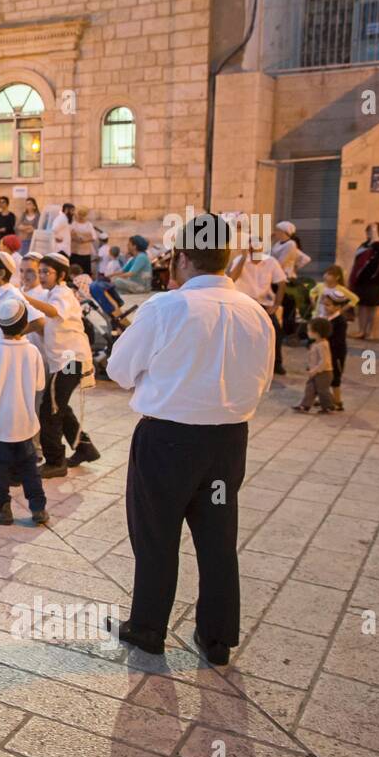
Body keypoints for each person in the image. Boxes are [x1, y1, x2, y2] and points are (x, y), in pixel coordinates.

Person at [105, 213, 275, 666]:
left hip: (167, 441)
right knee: (219, 539)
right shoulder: (256, 313)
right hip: (226, 444)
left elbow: (118, 370)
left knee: (156, 535)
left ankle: (148, 628)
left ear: (181, 258)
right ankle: (217, 638)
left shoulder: (166, 308)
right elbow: (263, 380)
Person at [23, 252, 100, 477]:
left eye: (47, 272)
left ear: (61, 275)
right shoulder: (52, 294)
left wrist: (24, 298)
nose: (42, 276)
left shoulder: (63, 294)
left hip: (70, 360)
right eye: (41, 272)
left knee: (50, 411)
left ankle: (55, 461)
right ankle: (84, 447)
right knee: (60, 407)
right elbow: (43, 324)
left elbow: (54, 312)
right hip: (64, 360)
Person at [0, 299, 48, 526]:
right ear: (25, 324)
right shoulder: (32, 351)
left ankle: (1, 508)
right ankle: (38, 509)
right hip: (24, 421)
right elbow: (39, 385)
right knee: (29, 467)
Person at [228, 240, 287, 375]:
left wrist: (276, 304)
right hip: (243, 303)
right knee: (240, 333)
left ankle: (276, 363)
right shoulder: (240, 260)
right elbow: (232, 278)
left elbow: (282, 283)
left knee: (276, 331)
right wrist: (243, 258)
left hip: (263, 303)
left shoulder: (271, 262)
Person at [310, 266, 356, 410]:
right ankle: (325, 398)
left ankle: (338, 401)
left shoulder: (340, 321)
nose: (325, 307)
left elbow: (338, 340)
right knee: (323, 376)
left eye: (328, 305)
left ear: (338, 307)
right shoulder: (327, 318)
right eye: (324, 304)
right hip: (326, 352)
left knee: (335, 377)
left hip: (336, 353)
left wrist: (326, 345)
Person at [349, 222, 379, 340]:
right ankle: (361, 331)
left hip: (377, 281)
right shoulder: (364, 245)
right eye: (368, 230)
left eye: (372, 230)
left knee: (375, 306)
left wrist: (375, 239)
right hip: (362, 280)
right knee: (362, 306)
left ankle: (372, 333)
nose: (369, 233)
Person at [294, 318, 335, 414]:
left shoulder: (323, 345)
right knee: (310, 389)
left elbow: (324, 361)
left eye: (309, 330)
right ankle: (305, 405)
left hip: (323, 373)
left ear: (317, 332)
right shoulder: (316, 344)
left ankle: (328, 406)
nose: (308, 332)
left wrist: (315, 370)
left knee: (322, 391)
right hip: (316, 372)